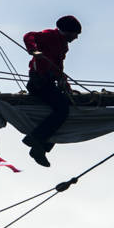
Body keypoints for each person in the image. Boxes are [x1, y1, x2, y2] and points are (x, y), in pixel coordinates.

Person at [21, 15, 81, 167]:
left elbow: (58, 68)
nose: (76, 38)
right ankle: (35, 139)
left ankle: (40, 147)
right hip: (38, 82)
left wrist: (65, 84)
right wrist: (33, 50)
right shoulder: (50, 35)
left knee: (65, 107)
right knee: (62, 109)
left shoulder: (63, 46)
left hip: (48, 83)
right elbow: (29, 36)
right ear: (68, 31)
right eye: (75, 34)